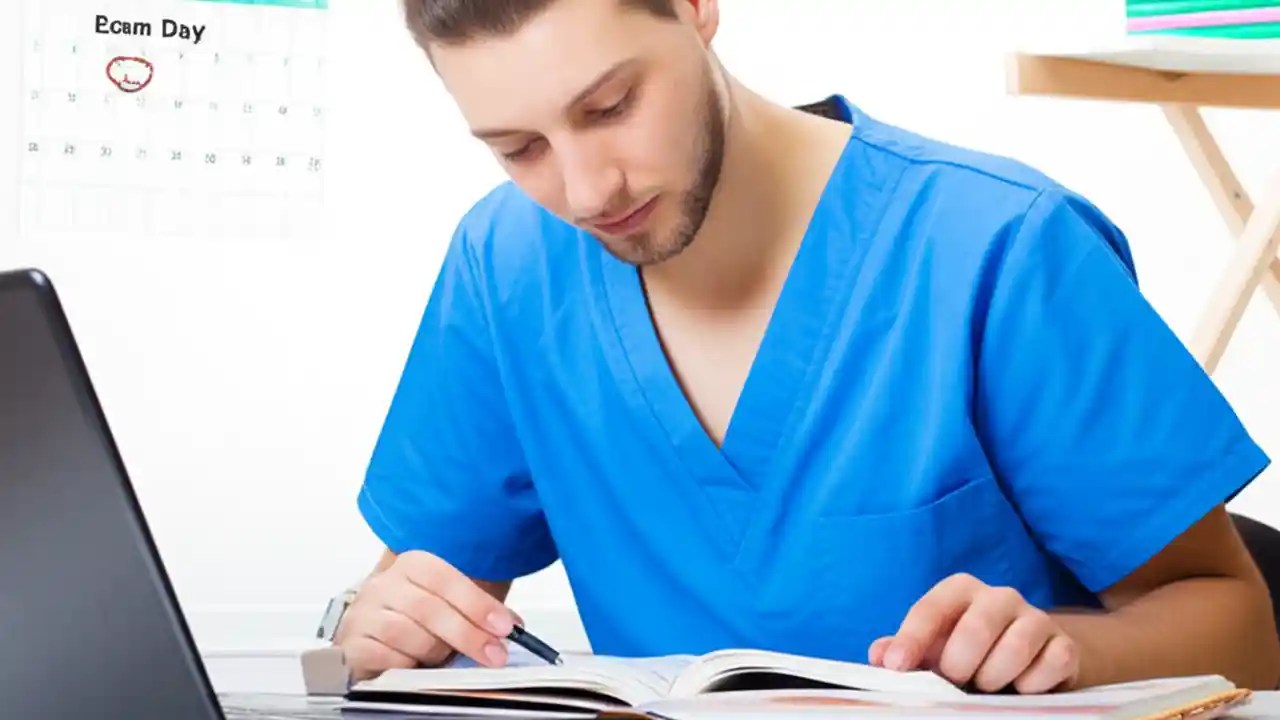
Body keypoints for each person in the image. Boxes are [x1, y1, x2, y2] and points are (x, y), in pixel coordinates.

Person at [330, 0, 1280, 694]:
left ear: (696, 8)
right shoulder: (505, 267)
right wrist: (380, 624)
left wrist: (1070, 652)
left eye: (611, 106)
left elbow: (1241, 629)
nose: (585, 192)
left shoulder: (997, 248)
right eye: (518, 149)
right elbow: (431, 598)